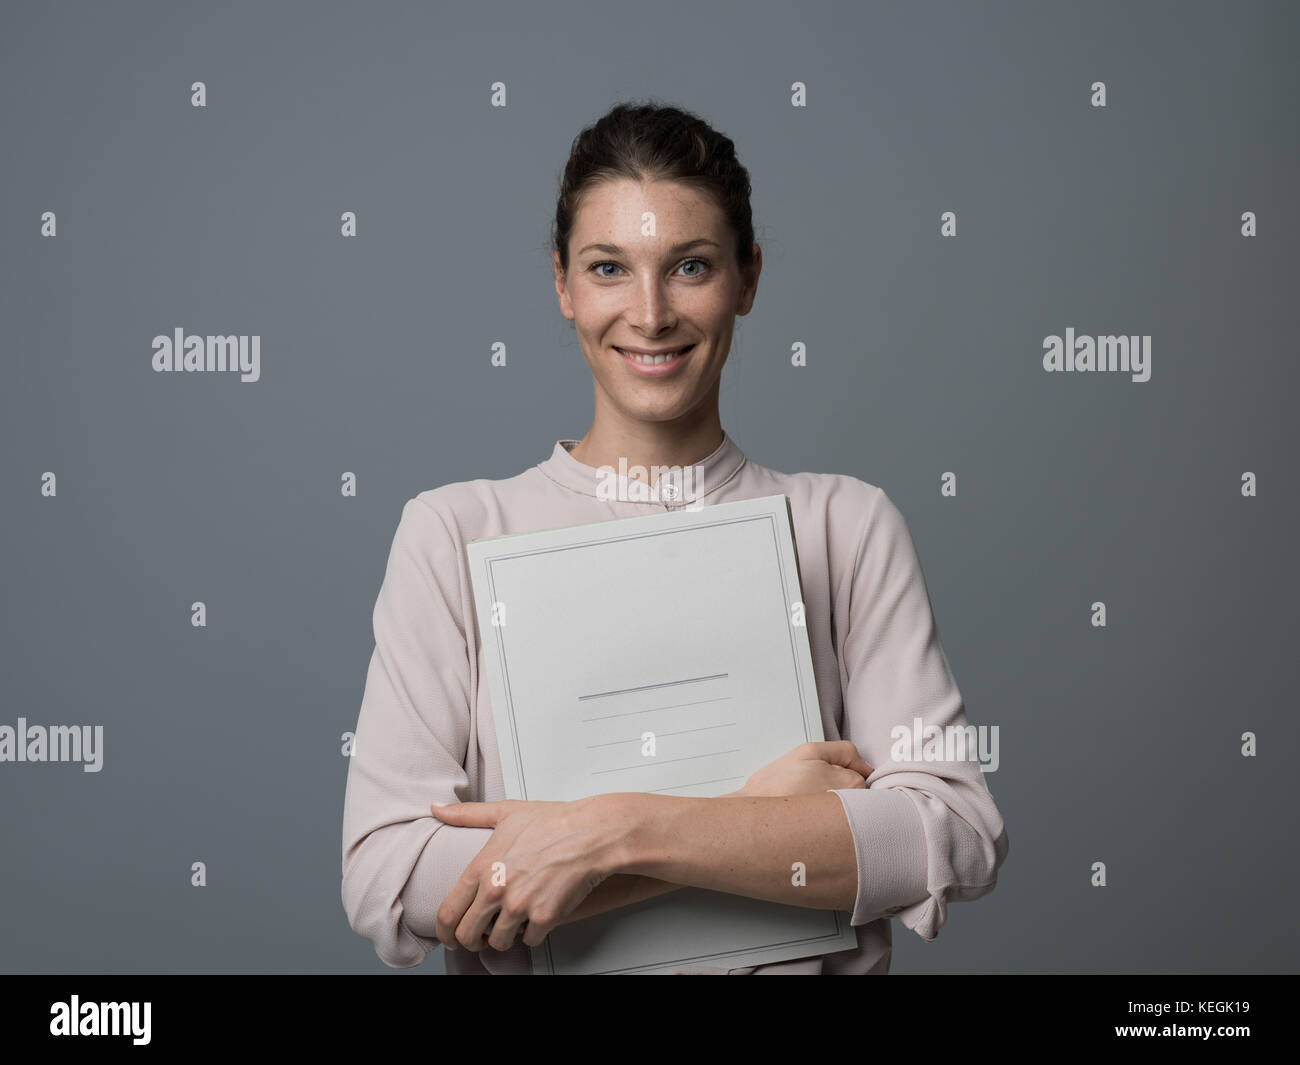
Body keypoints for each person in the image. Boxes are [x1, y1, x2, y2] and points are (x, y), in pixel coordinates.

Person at [341, 100, 1008, 974]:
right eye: (609, 267)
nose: (649, 314)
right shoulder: (453, 534)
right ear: (562, 284)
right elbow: (390, 876)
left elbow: (947, 834)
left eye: (689, 266)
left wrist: (614, 835)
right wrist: (755, 817)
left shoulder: (846, 526)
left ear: (748, 278)